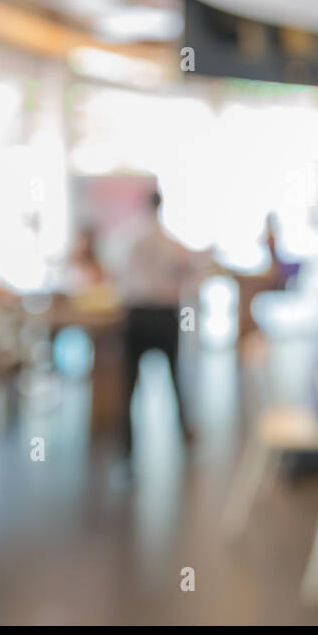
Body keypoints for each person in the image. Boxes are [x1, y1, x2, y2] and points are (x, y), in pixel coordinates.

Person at [118, 190, 203, 456]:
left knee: (130, 385)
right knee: (175, 377)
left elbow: (122, 280)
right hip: (164, 316)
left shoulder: (133, 242)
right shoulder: (171, 244)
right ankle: (184, 436)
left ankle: (127, 450)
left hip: (137, 314)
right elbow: (193, 273)